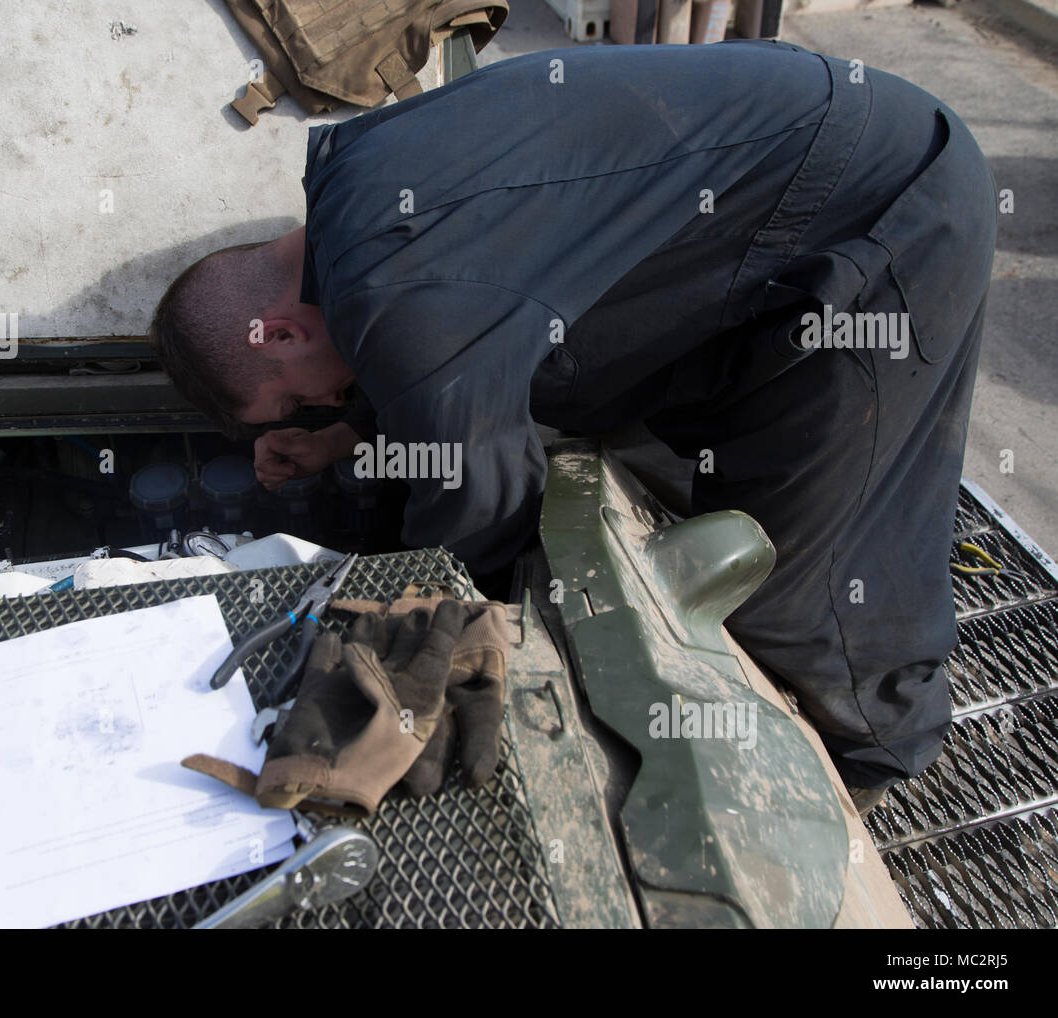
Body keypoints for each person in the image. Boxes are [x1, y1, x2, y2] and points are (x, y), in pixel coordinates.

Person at [148, 39, 998, 806]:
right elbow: (449, 365)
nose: (324, 404)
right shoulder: (356, 197)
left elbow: (477, 492)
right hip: (777, 217)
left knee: (800, 587)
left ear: (281, 332)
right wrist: (348, 438)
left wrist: (408, 628)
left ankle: (872, 776)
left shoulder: (390, 288)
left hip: (883, 209)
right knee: (728, 506)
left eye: (299, 402)